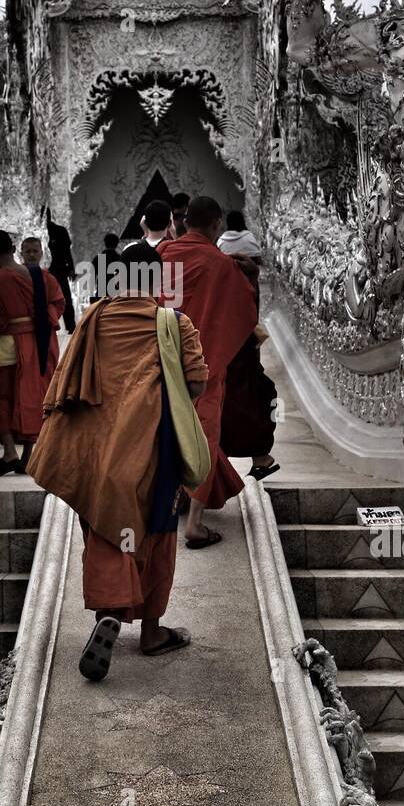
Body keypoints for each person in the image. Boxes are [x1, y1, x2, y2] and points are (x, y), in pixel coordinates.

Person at [28, 242, 209, 679]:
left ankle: (108, 613)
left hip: (93, 451)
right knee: (159, 533)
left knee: (106, 524)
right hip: (155, 448)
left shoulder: (93, 318)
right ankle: (150, 631)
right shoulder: (173, 323)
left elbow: (64, 381)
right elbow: (197, 382)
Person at [159, 196, 259, 546]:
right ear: (217, 225)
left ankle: (165, 506)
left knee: (165, 434)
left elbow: (145, 302)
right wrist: (250, 275)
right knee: (203, 437)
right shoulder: (223, 265)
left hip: (162, 367)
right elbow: (247, 315)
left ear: (185, 222)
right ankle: (195, 524)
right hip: (204, 368)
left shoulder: (163, 255)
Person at [0, 230, 64, 475]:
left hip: (9, 341)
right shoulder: (43, 277)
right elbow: (59, 303)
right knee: (31, 394)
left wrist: (11, 324)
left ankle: (9, 452)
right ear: (15, 250)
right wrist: (40, 320)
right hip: (37, 341)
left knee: (4, 395)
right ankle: (27, 456)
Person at [216, 216, 278, 480]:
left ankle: (227, 460)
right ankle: (257, 457)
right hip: (241, 340)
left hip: (228, 342)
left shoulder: (219, 252)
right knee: (250, 396)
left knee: (235, 399)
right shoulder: (250, 266)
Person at [45, 208, 77, 333]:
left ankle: (71, 326)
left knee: (64, 298)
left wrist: (71, 268)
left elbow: (66, 251)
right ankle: (68, 326)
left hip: (58, 269)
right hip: (52, 269)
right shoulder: (55, 231)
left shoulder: (58, 231)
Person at [92, 232, 123, 299]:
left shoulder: (98, 259)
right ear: (117, 244)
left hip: (101, 293)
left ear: (105, 243)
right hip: (116, 294)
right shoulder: (120, 259)